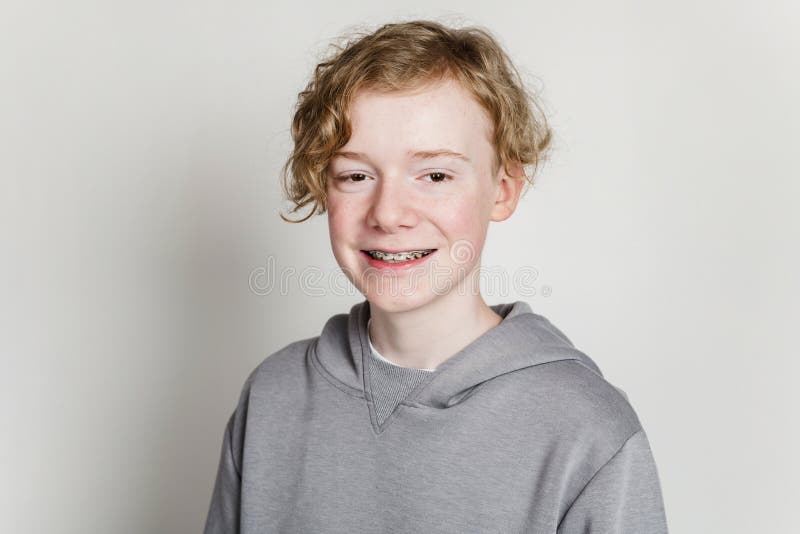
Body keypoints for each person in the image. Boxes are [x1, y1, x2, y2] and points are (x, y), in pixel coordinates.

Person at [203, 19, 668, 533]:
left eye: (436, 175)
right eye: (356, 175)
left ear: (502, 190)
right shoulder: (274, 395)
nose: (389, 213)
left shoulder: (587, 430)